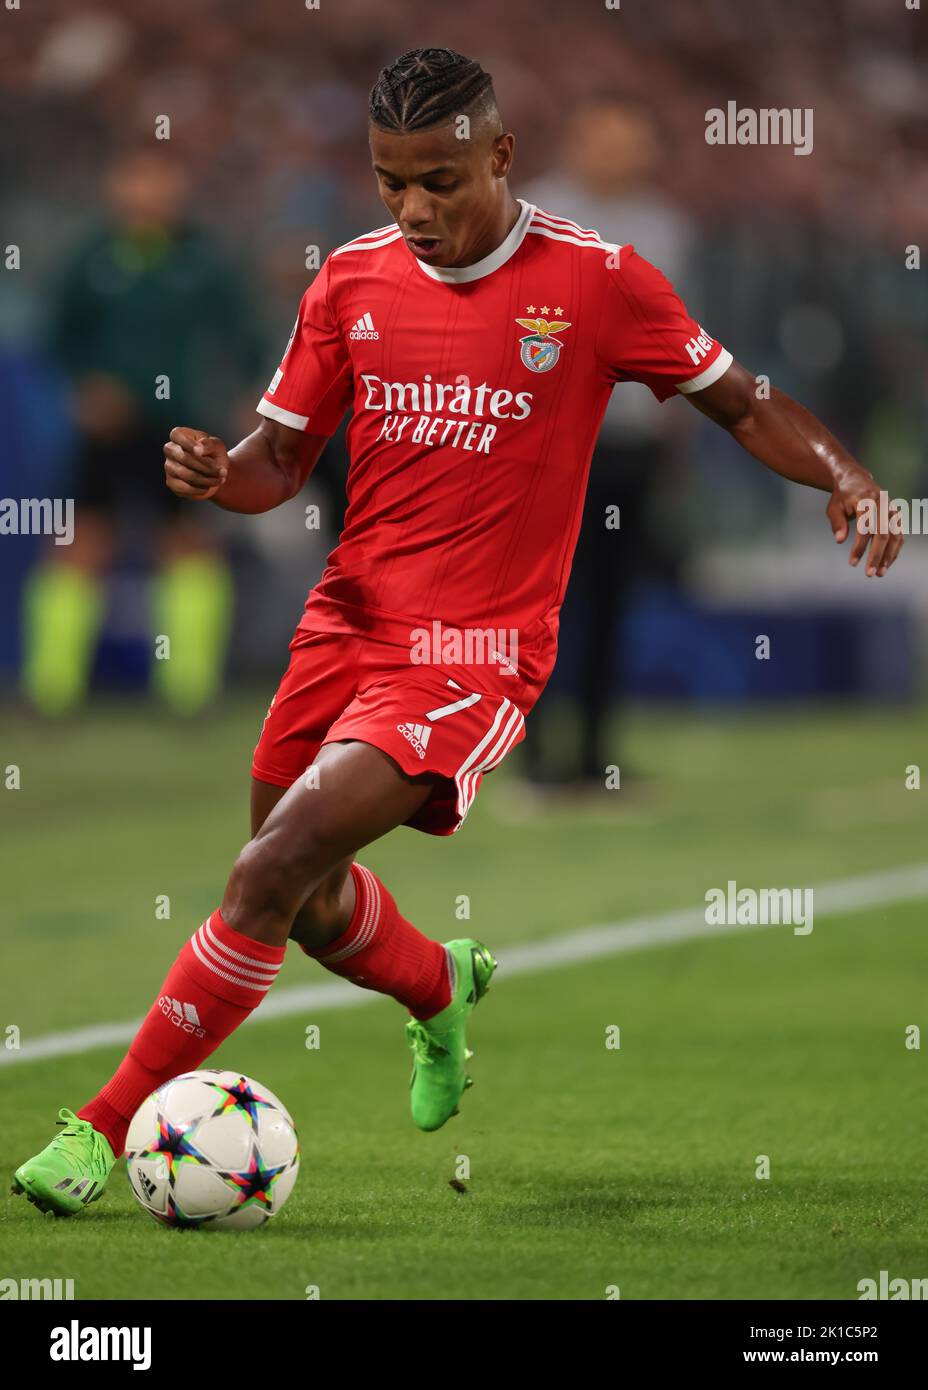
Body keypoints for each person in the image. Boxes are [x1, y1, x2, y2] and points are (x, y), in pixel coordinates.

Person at [13, 48, 901, 1218]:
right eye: (390, 183)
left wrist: (843, 472)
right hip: (346, 622)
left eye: (439, 180)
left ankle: (99, 1127)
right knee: (309, 898)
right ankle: (442, 987)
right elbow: (279, 461)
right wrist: (215, 471)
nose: (414, 209)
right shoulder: (349, 283)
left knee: (267, 868)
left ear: (500, 154)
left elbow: (736, 395)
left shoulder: (597, 280)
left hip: (475, 651)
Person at [22, 146, 263, 717]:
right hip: (107, 429)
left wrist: (241, 397)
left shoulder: (205, 260)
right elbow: (57, 336)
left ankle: (189, 691)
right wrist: (87, 385)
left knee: (185, 545)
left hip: (179, 428)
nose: (147, 192)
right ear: (116, 186)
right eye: (135, 179)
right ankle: (51, 690)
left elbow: (247, 337)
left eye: (159, 180)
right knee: (81, 542)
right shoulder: (92, 256)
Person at [519, 95, 695, 786]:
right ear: (576, 141)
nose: (618, 153)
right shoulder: (533, 215)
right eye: (606, 139)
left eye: (631, 140)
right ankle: (530, 753)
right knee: (541, 604)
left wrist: (675, 417)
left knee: (615, 599)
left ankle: (594, 755)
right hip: (545, 440)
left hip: (628, 440)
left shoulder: (667, 225)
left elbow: (679, 333)